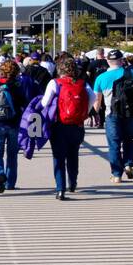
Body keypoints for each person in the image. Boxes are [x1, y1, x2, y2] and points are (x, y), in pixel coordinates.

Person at [39, 55, 94, 200]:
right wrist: (84, 113)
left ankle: (60, 189)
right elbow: (93, 97)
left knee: (58, 157)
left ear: (59, 69)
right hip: (77, 125)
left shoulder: (55, 83)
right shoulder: (82, 83)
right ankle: (73, 183)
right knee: (73, 154)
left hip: (58, 125)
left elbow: (44, 103)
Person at [0, 58, 30, 194]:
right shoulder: (18, 85)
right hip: (14, 124)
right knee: (12, 155)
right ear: (15, 72)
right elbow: (25, 104)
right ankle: (10, 184)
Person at [93, 48, 133, 183]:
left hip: (112, 114)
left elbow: (97, 101)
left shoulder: (101, 78)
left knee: (114, 144)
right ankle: (128, 164)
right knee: (129, 140)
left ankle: (116, 174)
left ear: (108, 61)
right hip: (130, 113)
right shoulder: (132, 74)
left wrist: (95, 114)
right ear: (121, 61)